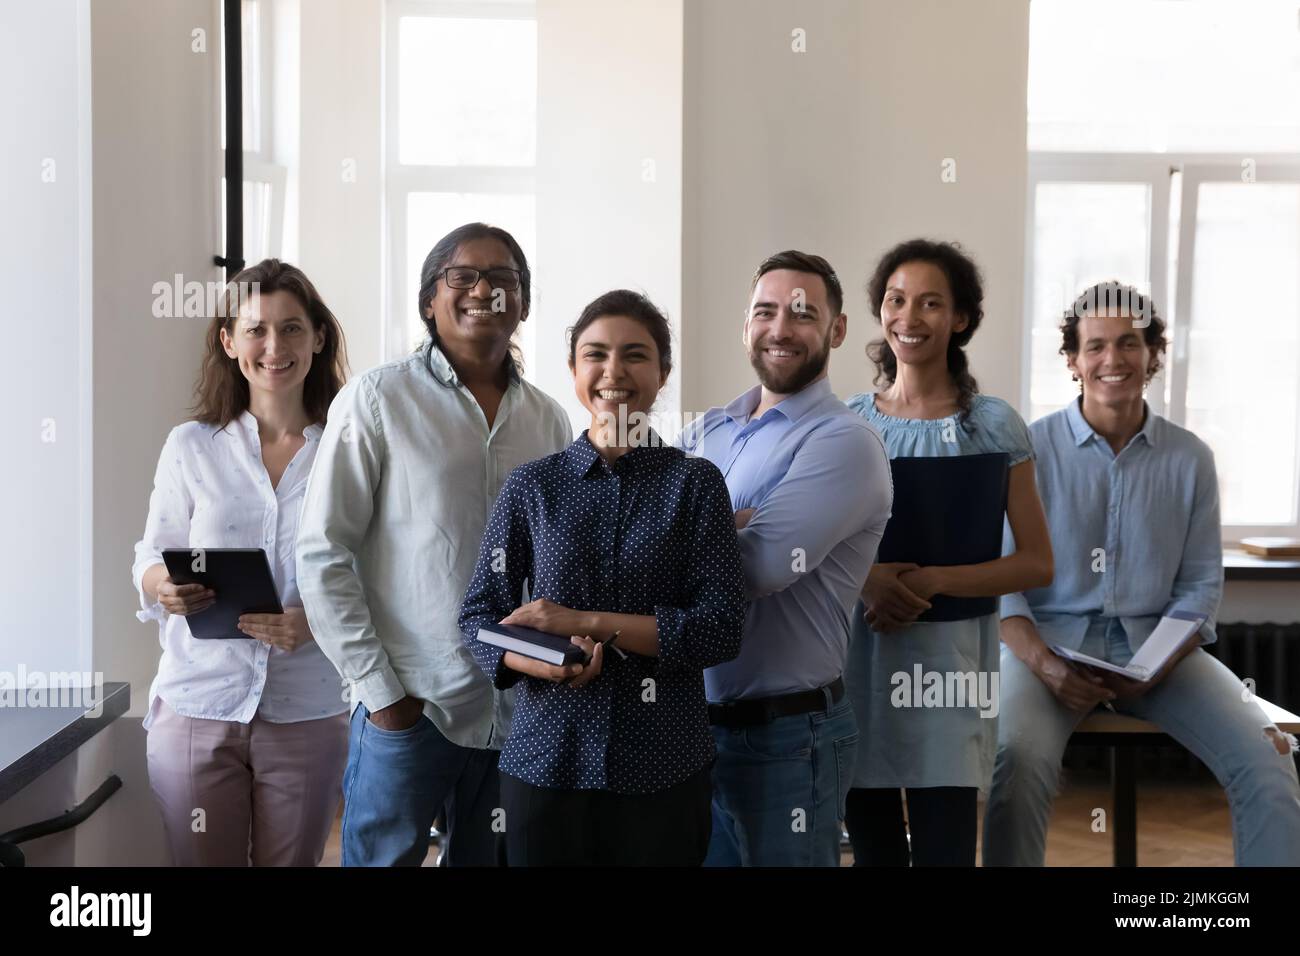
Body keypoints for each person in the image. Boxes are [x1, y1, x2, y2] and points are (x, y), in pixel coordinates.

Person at [982, 281, 1300, 866]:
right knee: (1016, 759)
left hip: (1163, 654)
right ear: (1073, 360)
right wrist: (1049, 669)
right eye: (1096, 345)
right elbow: (1006, 588)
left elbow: (1200, 588)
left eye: (1129, 342)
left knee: (1270, 754)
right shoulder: (1027, 448)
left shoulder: (1191, 458)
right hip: (1048, 649)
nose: (1113, 360)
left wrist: (1153, 667)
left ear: (1153, 354)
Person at [296, 223, 572, 866]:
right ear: (430, 300)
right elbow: (322, 553)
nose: (484, 289)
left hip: (512, 710)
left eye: (503, 279)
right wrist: (383, 696)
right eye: (463, 276)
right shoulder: (377, 399)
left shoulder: (548, 419)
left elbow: (557, 567)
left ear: (523, 304)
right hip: (411, 708)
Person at [459, 290, 746, 866]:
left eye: (635, 355)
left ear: (662, 373)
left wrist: (585, 623)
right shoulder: (532, 487)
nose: (614, 371)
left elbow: (719, 630)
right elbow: (479, 618)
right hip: (545, 762)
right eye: (596, 355)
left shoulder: (696, 486)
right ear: (573, 371)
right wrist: (539, 659)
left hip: (665, 767)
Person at [132, 258, 352, 866]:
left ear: (318, 337)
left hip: (307, 706)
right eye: (255, 329)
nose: (273, 346)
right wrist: (163, 587)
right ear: (229, 342)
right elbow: (151, 553)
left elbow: (375, 568)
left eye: (291, 328)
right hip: (198, 700)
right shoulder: (191, 447)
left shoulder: (349, 450)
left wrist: (316, 620)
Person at [841, 239, 1053, 867]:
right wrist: (866, 581)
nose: (910, 316)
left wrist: (931, 580)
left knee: (947, 852)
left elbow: (1036, 563)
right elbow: (815, 550)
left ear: (960, 318)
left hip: (953, 676)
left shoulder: (994, 424)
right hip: (863, 665)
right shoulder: (848, 423)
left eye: (931, 303)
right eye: (897, 300)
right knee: (875, 853)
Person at [682, 250, 893, 866]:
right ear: (746, 326)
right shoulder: (707, 431)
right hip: (691, 727)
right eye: (765, 312)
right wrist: (735, 523)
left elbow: (762, 568)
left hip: (786, 740)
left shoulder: (844, 442)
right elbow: (646, 539)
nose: (780, 328)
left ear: (837, 330)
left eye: (802, 313)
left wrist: (698, 529)